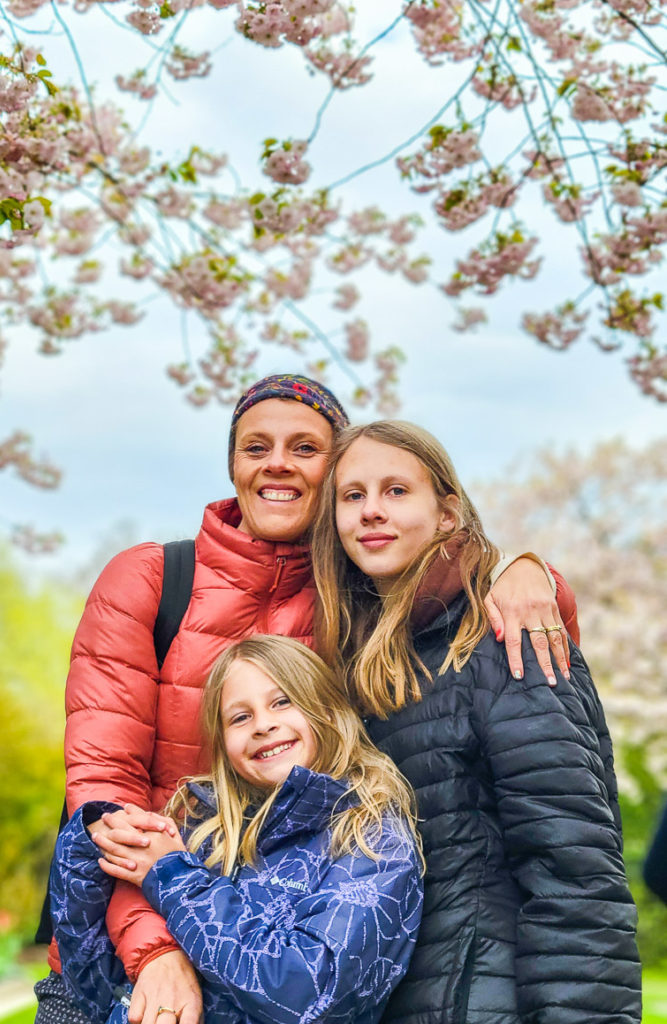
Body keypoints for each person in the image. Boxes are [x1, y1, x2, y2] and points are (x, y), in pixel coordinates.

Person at [35, 374, 578, 1024]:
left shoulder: (365, 601)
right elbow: (104, 790)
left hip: (277, 968)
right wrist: (156, 953)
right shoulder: (152, 579)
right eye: (255, 446)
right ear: (233, 463)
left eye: (304, 448)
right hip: (138, 959)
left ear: (336, 468)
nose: (277, 465)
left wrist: (527, 570)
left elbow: (461, 599)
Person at [312, 420, 641, 1024]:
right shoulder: (365, 664)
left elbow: (572, 864)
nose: (371, 512)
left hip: (492, 998)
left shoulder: (503, 640)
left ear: (446, 513)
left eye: (396, 491)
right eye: (353, 496)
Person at [49, 636, 424, 1024]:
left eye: (282, 701)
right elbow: (94, 985)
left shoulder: (371, 837)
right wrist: (91, 843)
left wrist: (176, 880)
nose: (263, 725)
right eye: (240, 717)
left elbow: (308, 994)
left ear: (327, 710)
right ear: (223, 742)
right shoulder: (199, 826)